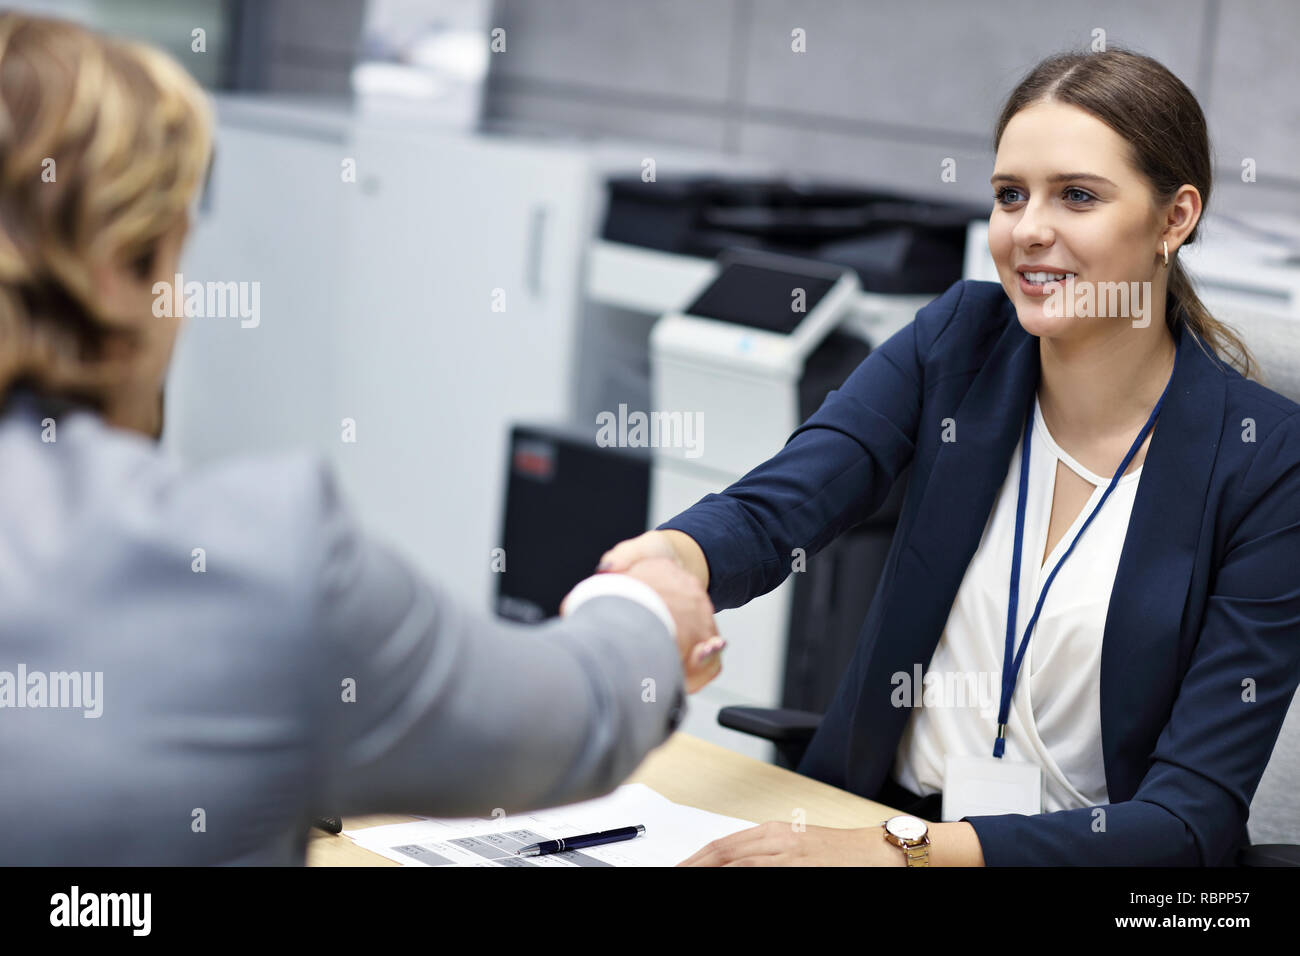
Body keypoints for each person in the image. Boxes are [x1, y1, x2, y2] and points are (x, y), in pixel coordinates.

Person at [0, 12, 723, 865]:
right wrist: (646, 612)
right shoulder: (250, 556)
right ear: (119, 277)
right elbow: (563, 718)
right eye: (174, 262)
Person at [600, 48, 1300, 867]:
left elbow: (1189, 825)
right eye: (1010, 195)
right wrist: (670, 561)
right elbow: (780, 504)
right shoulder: (958, 343)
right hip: (870, 822)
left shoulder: (1265, 464)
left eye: (1077, 195)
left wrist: (909, 852)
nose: (1028, 229)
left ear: (1175, 219)